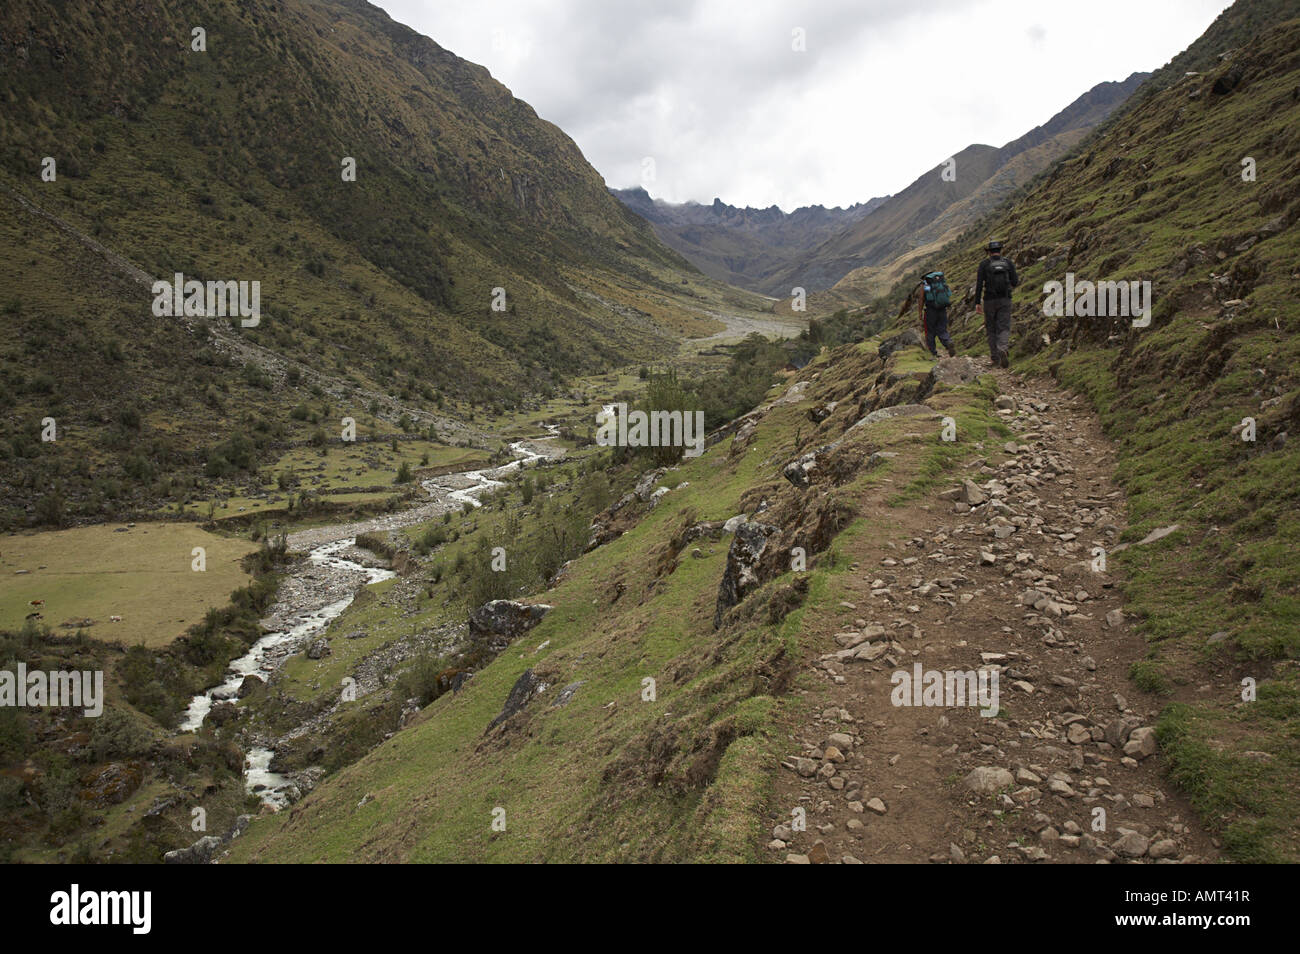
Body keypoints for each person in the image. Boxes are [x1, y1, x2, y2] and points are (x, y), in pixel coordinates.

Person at [973, 240, 1019, 368]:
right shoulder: (1008, 263)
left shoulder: (984, 264)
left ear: (988, 252)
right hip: (1005, 299)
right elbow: (1015, 281)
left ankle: (995, 358)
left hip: (989, 300)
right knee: (1003, 326)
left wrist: (977, 302)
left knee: (991, 328)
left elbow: (979, 285)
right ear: (1001, 250)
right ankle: (1002, 348)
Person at [917, 270, 956, 358]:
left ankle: (933, 352)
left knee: (930, 331)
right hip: (942, 309)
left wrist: (920, 312)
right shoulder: (940, 282)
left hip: (931, 310)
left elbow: (921, 298)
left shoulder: (926, 284)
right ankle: (948, 342)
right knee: (942, 329)